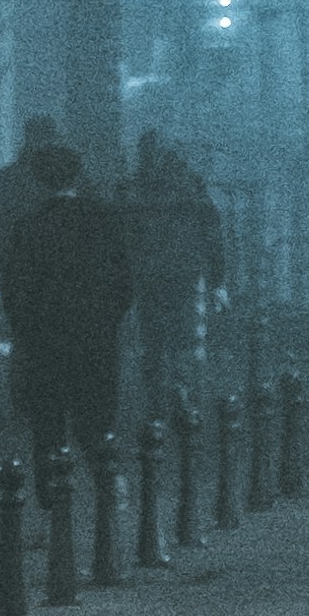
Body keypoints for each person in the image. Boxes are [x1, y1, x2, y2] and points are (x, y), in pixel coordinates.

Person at [0, 134, 136, 481]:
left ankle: (52, 501)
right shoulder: (103, 219)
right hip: (95, 333)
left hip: (46, 336)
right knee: (96, 420)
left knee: (48, 426)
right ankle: (107, 489)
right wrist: (110, 317)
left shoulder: (31, 226)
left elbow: (15, 287)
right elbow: (124, 278)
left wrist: (25, 329)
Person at [120, 130, 225, 439]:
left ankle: (156, 407)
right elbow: (212, 233)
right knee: (185, 341)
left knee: (153, 343)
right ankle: (184, 398)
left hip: (149, 275)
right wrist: (218, 278)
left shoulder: (133, 188)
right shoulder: (190, 186)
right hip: (184, 273)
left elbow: (123, 237)